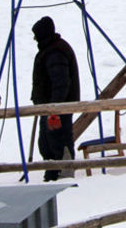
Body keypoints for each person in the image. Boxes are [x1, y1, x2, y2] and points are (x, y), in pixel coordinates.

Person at [31, 16, 80, 181]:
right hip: (50, 106)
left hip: (56, 107)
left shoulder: (55, 52)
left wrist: (54, 109)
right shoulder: (51, 49)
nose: (34, 38)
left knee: (58, 139)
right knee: (47, 140)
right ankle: (52, 171)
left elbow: (61, 83)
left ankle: (63, 173)